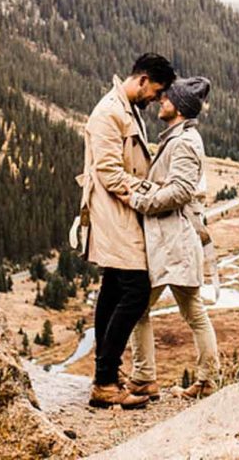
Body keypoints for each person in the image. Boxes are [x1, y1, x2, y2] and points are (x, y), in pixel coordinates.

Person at [79, 52, 175, 409]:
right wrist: (148, 194)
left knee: (113, 289)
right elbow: (108, 171)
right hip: (115, 212)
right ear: (143, 80)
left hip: (122, 211)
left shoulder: (127, 108)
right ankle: (105, 381)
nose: (158, 98)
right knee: (135, 289)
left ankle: (105, 374)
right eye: (157, 91)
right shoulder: (109, 113)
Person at [125, 76, 221, 401]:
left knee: (138, 309)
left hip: (172, 243)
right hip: (176, 241)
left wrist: (137, 200)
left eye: (166, 98)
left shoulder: (184, 143)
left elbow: (179, 192)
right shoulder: (181, 138)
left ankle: (143, 379)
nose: (161, 101)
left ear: (178, 108)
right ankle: (207, 381)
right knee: (194, 312)